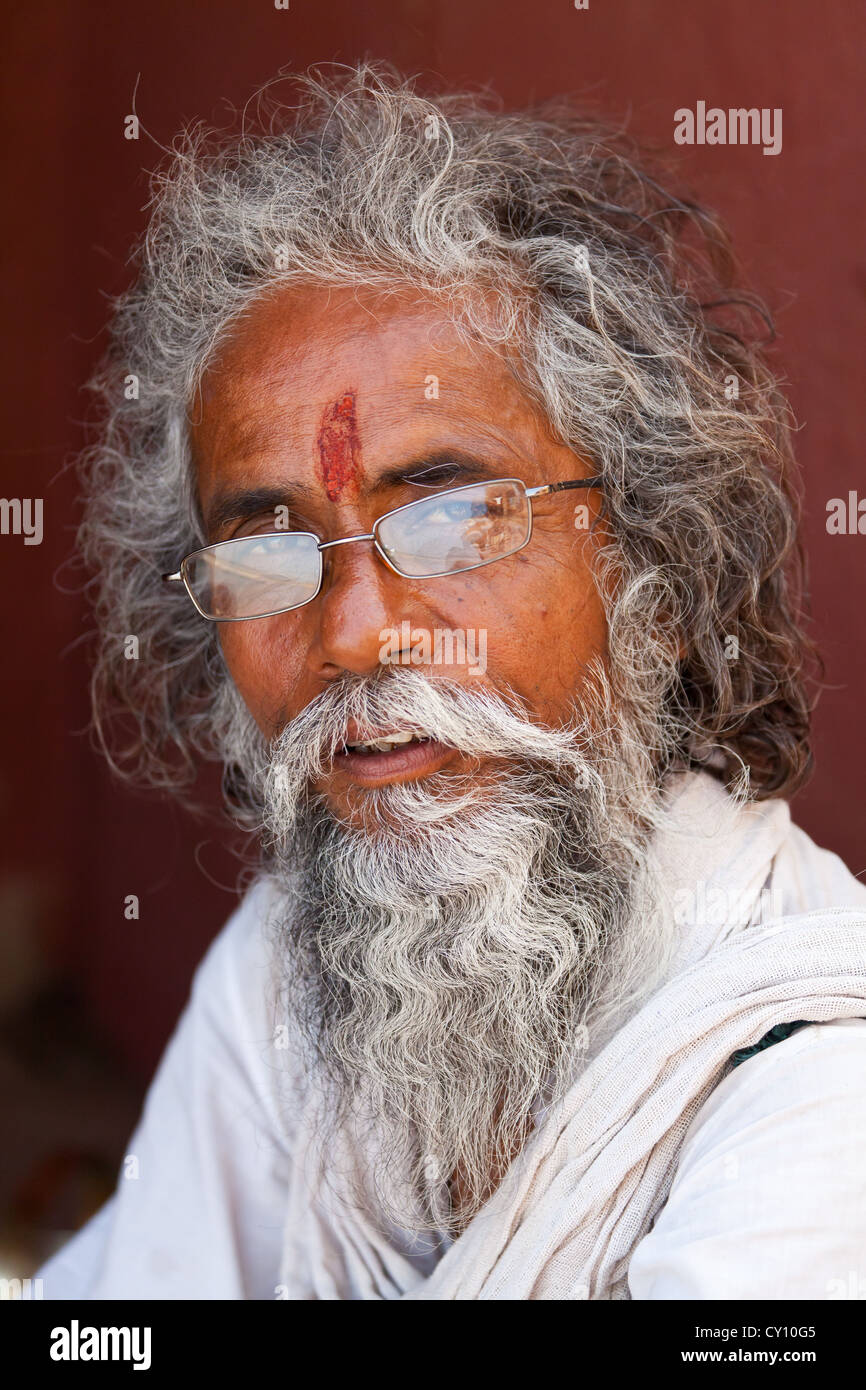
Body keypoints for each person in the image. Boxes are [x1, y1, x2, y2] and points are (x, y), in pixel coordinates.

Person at [37, 62, 866, 1299]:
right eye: (266, 550)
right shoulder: (290, 972)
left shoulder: (808, 1077)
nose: (357, 634)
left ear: (653, 559)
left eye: (459, 517)